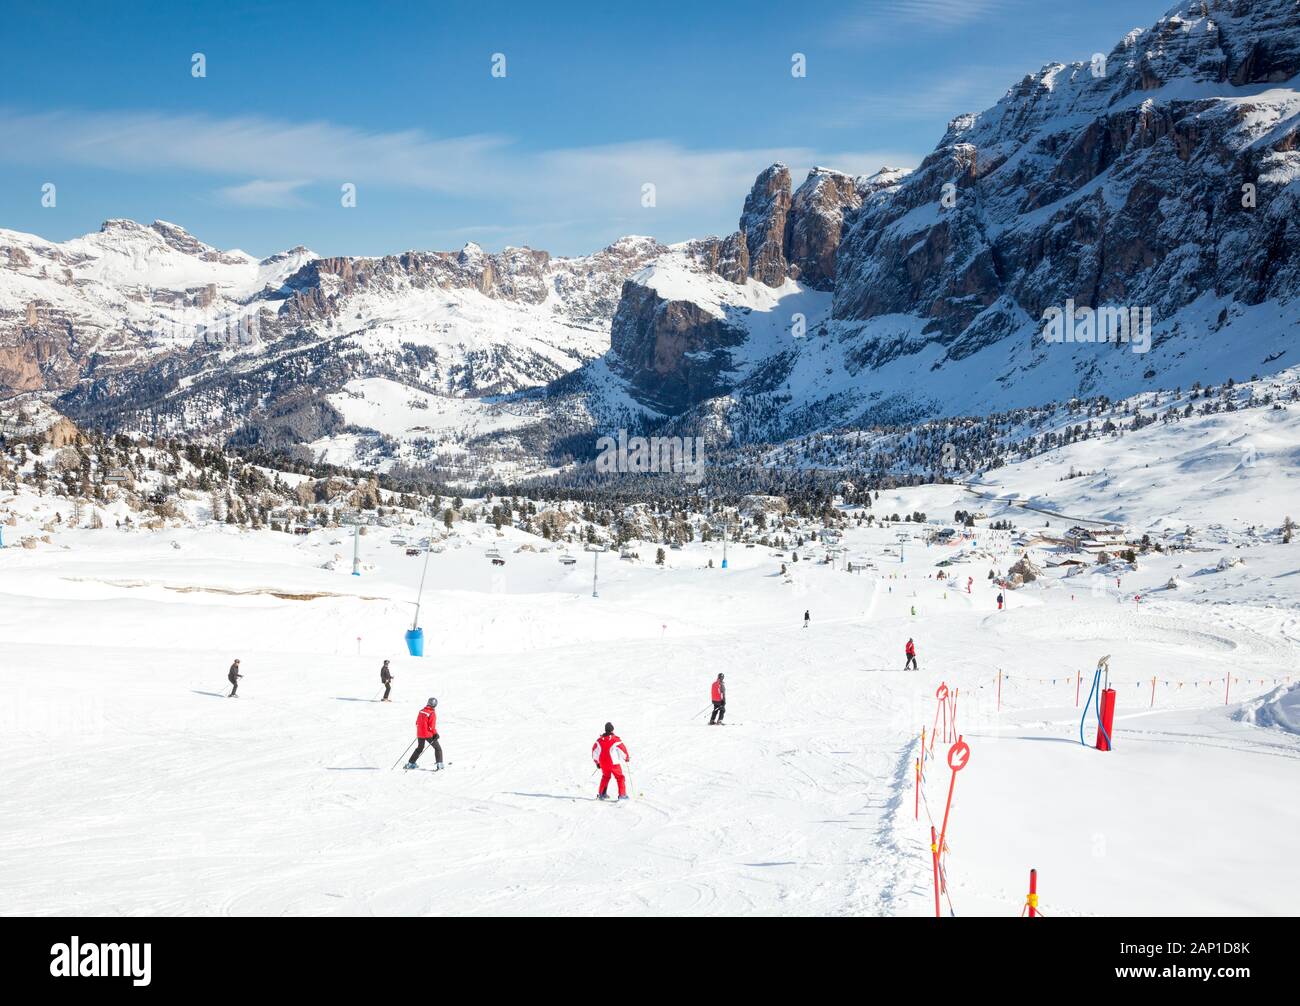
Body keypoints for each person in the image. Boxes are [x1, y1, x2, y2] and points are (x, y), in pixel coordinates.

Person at [592, 722, 630, 800]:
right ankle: (622, 795)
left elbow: (594, 751)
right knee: (620, 778)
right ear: (612, 730)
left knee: (605, 777)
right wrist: (626, 758)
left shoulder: (599, 740)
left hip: (603, 763)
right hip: (613, 763)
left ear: (605, 730)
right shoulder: (615, 739)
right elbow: (622, 749)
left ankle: (602, 794)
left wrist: (597, 762)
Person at [405, 698, 444, 770]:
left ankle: (411, 763)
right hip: (428, 734)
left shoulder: (421, 711)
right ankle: (440, 765)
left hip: (420, 734)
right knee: (438, 748)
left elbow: (417, 722)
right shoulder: (432, 713)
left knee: (419, 748)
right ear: (435, 705)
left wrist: (420, 731)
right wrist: (435, 734)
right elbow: (431, 726)